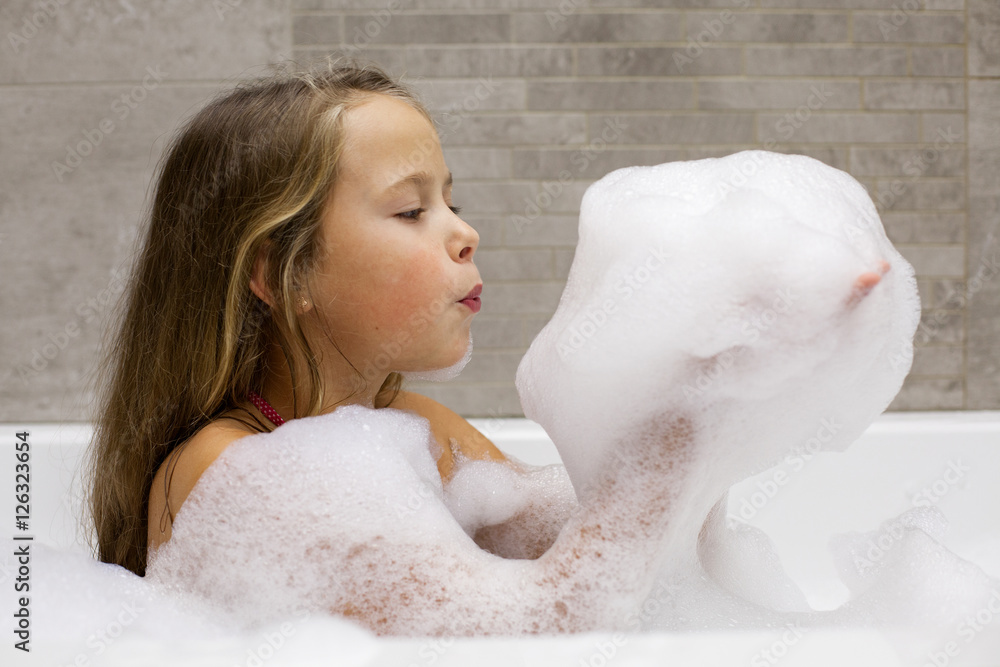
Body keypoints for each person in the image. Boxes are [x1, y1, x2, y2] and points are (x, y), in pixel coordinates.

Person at [85, 58, 887, 635]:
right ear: (278, 271)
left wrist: (738, 358)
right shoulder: (229, 473)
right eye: (410, 211)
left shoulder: (417, 432)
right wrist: (691, 395)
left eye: (452, 201)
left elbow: (622, 546)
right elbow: (565, 617)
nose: (464, 231)